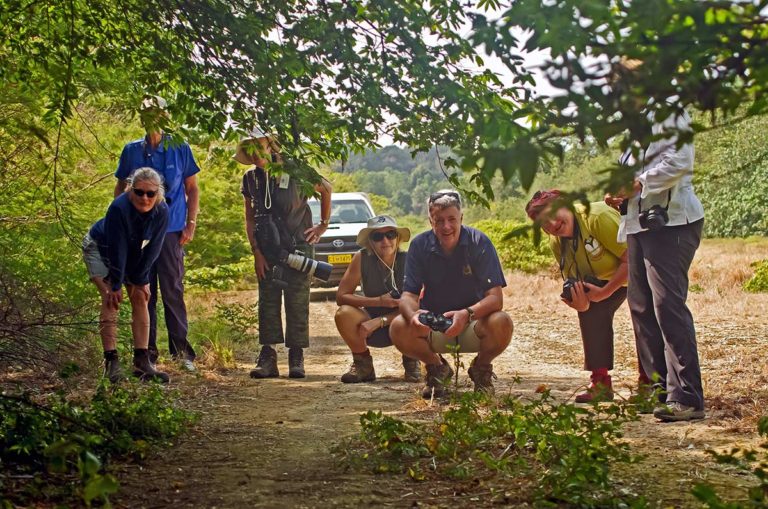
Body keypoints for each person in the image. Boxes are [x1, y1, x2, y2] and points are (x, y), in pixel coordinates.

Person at [605, 103, 706, 422]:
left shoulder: (670, 111)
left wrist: (637, 184)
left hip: (672, 223)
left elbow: (680, 162)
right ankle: (655, 390)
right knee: (641, 306)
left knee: (668, 307)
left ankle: (687, 396)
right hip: (638, 224)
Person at [390, 190, 514, 398]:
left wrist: (466, 314)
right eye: (439, 220)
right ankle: (436, 367)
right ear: (430, 221)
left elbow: (495, 298)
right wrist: (413, 316)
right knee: (398, 327)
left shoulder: (479, 241)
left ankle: (481, 370)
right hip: (435, 323)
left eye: (451, 219)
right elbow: (408, 295)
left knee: (502, 321)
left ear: (461, 218)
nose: (446, 226)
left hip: (474, 321)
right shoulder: (419, 245)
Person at [525, 190, 644, 403]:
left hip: (638, 269)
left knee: (643, 315)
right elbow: (576, 280)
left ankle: (649, 383)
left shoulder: (595, 217)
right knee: (589, 311)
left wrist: (605, 292)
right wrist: (580, 302)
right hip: (603, 277)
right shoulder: (556, 241)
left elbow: (634, 258)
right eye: (544, 223)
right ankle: (600, 383)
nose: (553, 224)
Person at [237, 127, 332, 379]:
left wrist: (323, 224)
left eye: (258, 145)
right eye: (249, 148)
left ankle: (296, 356)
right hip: (266, 248)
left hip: (299, 244)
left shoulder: (295, 170)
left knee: (297, 299)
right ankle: (268, 357)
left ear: (270, 145)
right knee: (268, 300)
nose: (254, 152)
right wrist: (256, 251)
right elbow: (249, 219)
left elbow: (326, 188)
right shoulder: (250, 179)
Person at [114, 96, 200, 371]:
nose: (151, 117)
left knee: (173, 289)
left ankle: (182, 353)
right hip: (138, 234)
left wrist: (191, 223)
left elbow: (193, 188)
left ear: (164, 116)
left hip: (172, 230)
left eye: (156, 113)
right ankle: (146, 353)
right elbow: (120, 190)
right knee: (142, 288)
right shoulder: (131, 150)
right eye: (146, 113)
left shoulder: (180, 147)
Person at [83, 168, 171, 383]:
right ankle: (111, 362)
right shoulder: (119, 208)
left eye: (150, 193)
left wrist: (141, 280)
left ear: (158, 193)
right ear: (130, 189)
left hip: (133, 250)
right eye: (139, 192)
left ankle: (142, 361)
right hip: (100, 246)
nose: (145, 198)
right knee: (111, 298)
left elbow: (153, 249)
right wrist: (114, 284)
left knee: (141, 295)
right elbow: (117, 248)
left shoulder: (162, 210)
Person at [334, 215, 421, 383]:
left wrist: (381, 321)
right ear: (370, 241)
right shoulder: (361, 258)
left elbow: (419, 304)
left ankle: (412, 361)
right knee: (343, 313)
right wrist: (379, 301)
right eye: (377, 236)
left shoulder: (410, 260)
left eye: (390, 234)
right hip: (368, 325)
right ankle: (363, 365)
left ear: (398, 238)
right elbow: (341, 296)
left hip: (402, 323)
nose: (385, 240)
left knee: (417, 314)